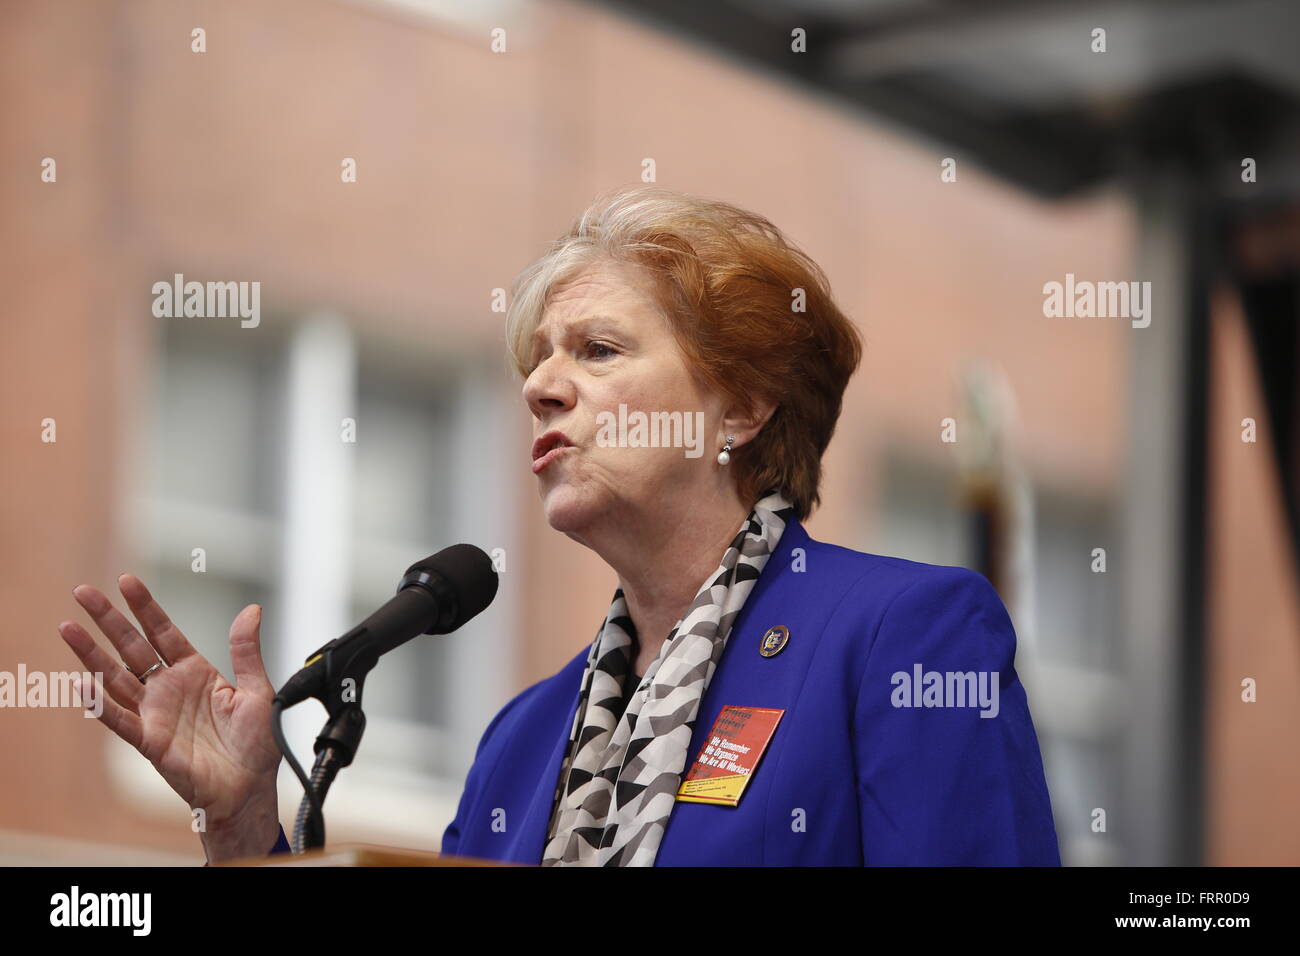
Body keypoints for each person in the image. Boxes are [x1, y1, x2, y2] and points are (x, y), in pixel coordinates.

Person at [58, 185, 1060, 866]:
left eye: (599, 348)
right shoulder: (522, 737)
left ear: (741, 406)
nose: (540, 385)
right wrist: (243, 830)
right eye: (539, 358)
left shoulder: (903, 633)